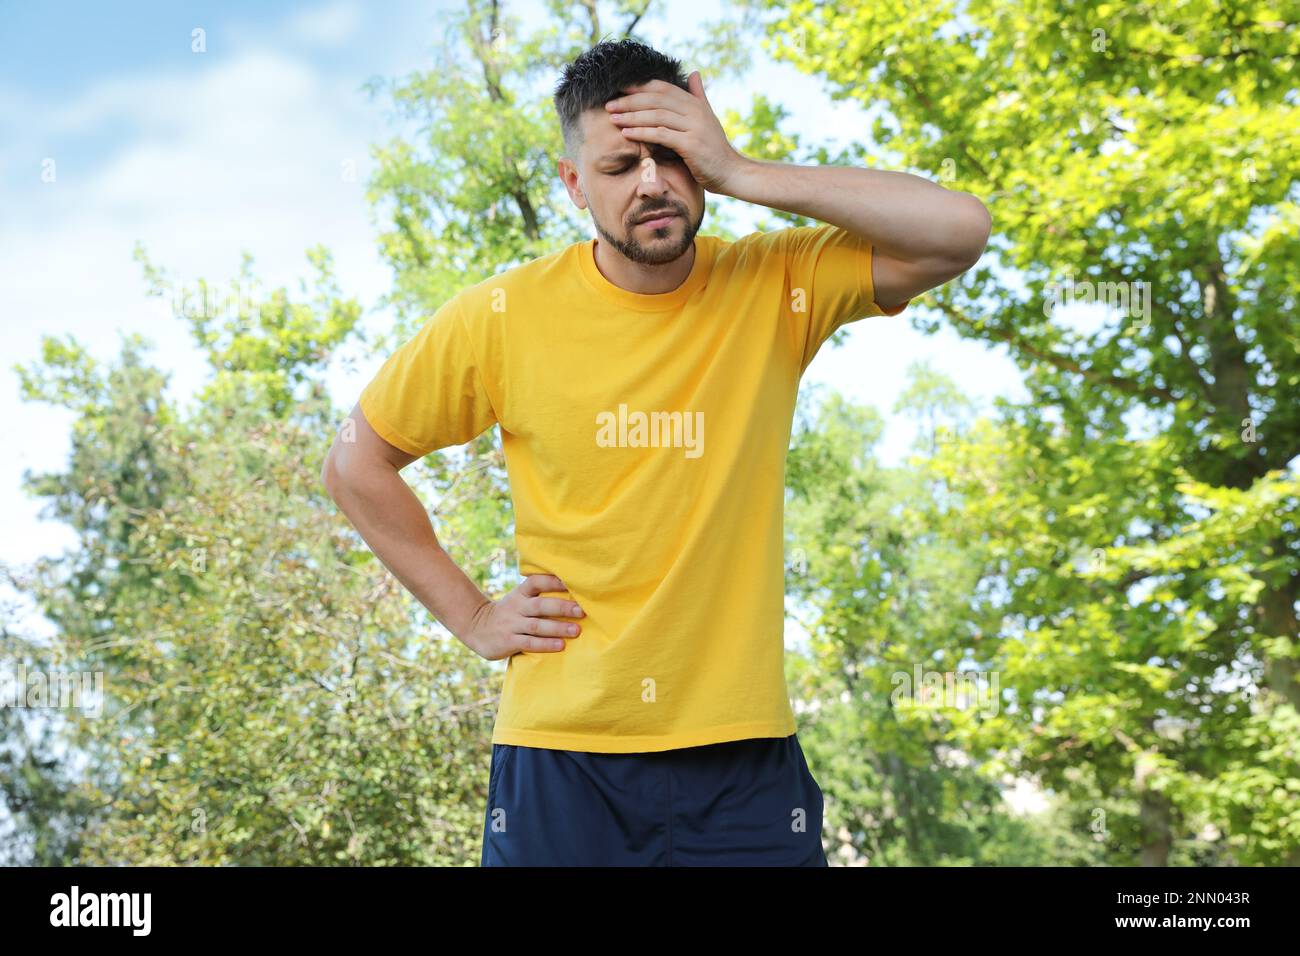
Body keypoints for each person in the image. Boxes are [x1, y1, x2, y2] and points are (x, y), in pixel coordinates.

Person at [320, 38, 991, 866]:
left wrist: (744, 170)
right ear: (573, 186)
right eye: (618, 166)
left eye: (671, 156)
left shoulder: (776, 284)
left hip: (744, 764)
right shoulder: (499, 316)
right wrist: (473, 617)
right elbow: (355, 464)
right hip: (562, 760)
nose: (650, 183)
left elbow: (960, 230)